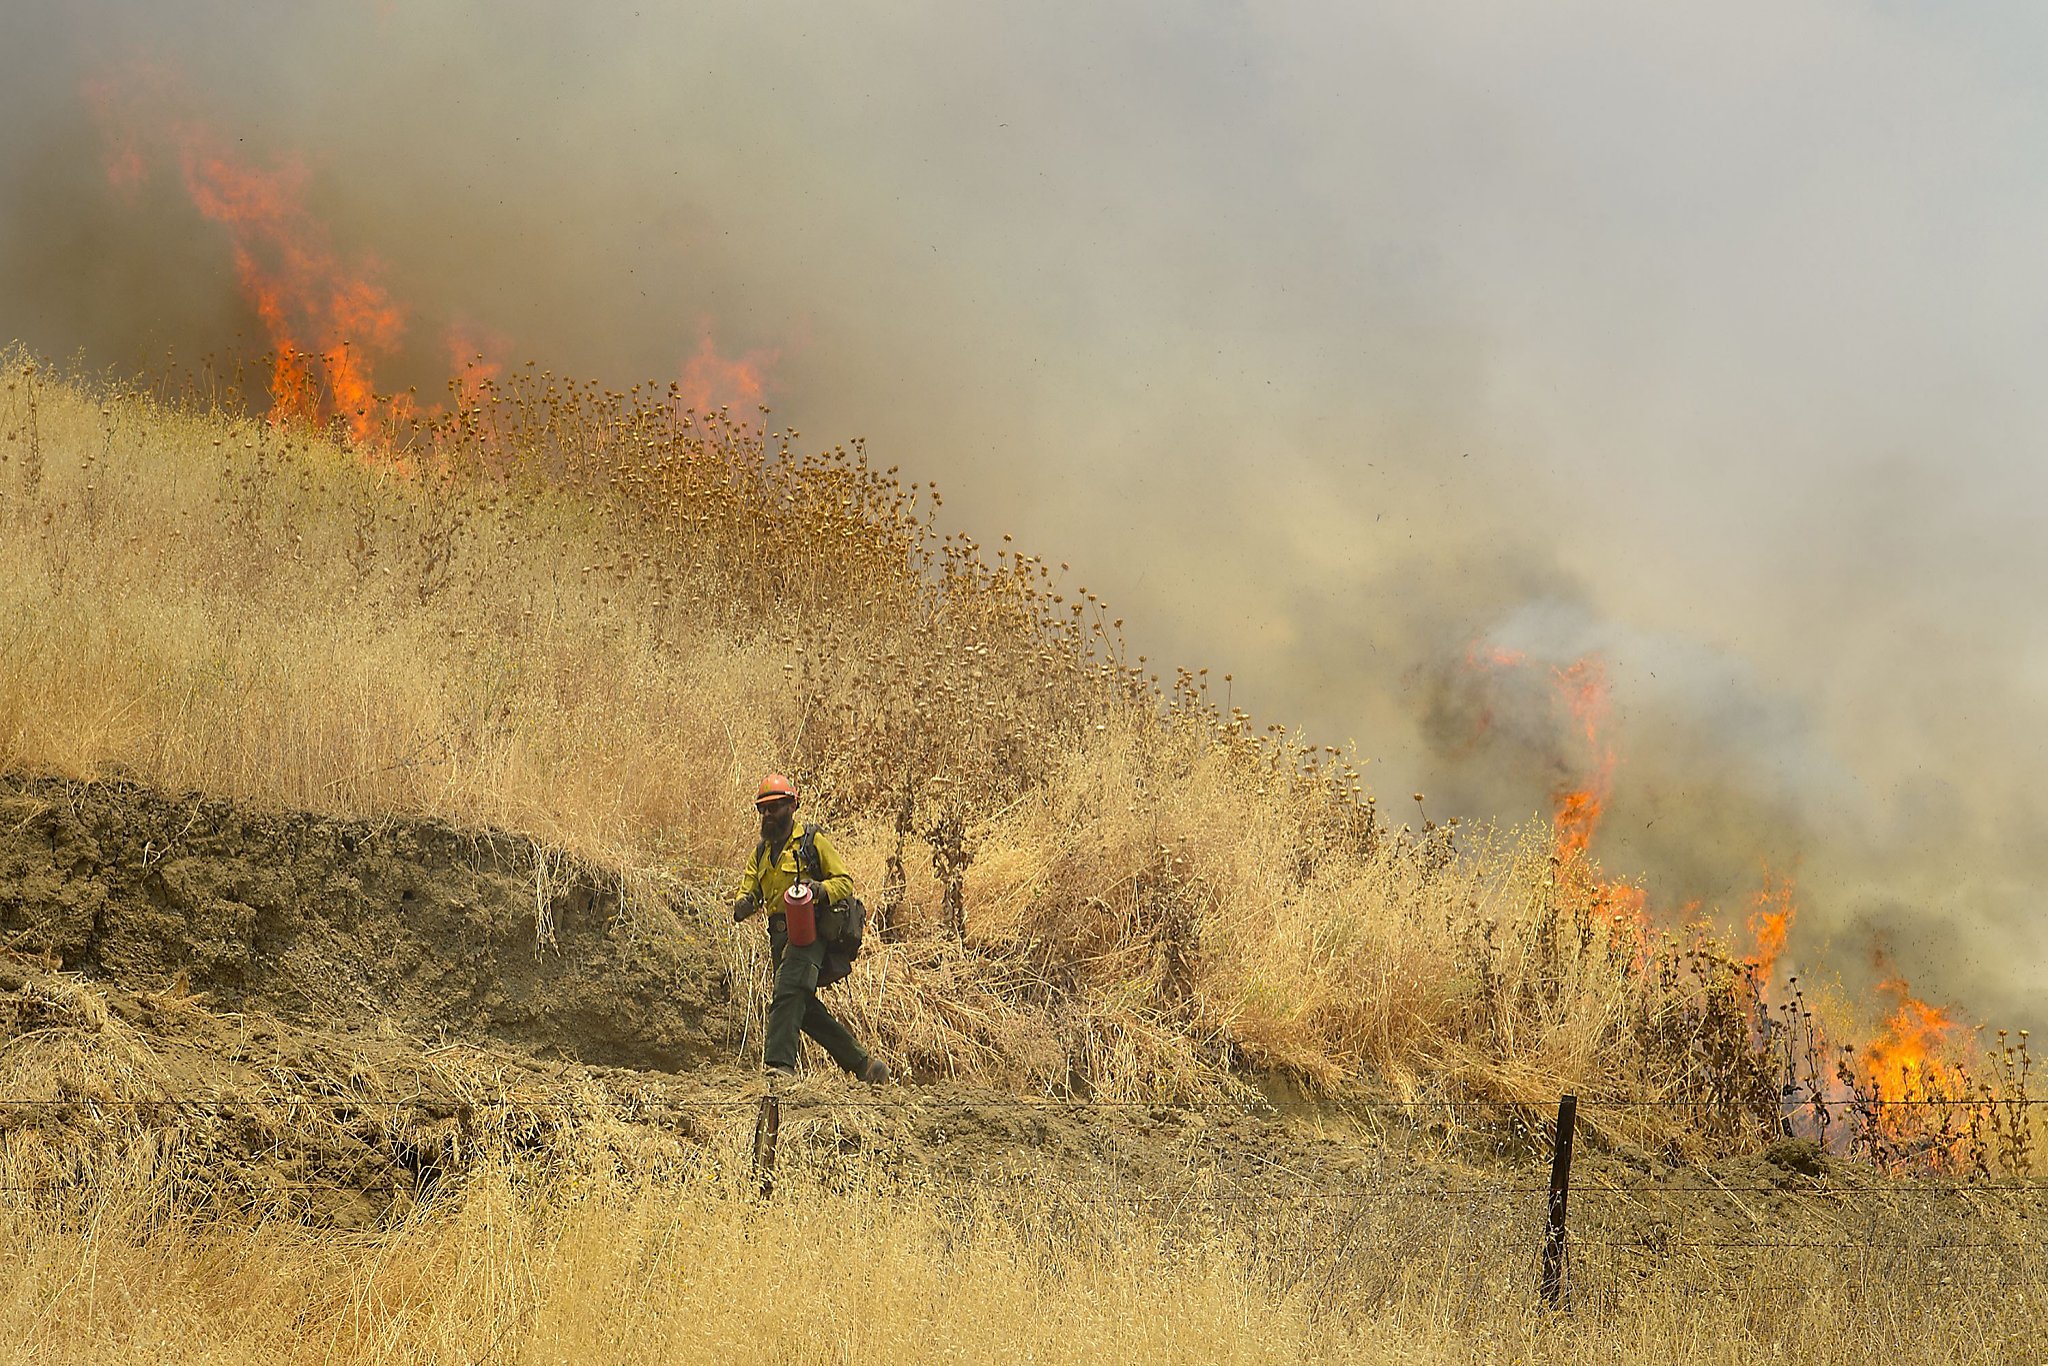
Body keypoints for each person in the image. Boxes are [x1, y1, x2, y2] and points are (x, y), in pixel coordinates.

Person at [732, 773, 890, 1083]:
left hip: (809, 932)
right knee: (802, 1007)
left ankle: (779, 1068)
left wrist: (818, 889)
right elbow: (748, 888)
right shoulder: (761, 852)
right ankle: (865, 1065)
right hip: (779, 938)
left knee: (788, 992)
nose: (768, 815)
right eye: (762, 809)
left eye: (775, 807)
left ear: (792, 806)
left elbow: (844, 882)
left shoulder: (811, 841)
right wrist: (744, 903)